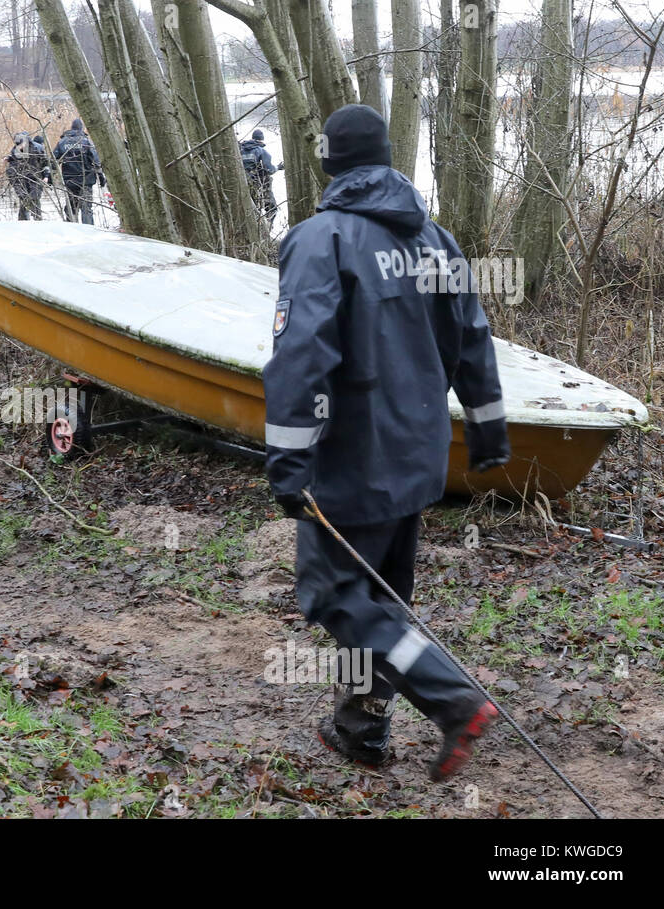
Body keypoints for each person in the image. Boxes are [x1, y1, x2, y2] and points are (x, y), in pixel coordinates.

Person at [262, 104, 510, 782]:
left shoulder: (321, 240)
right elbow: (473, 338)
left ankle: (453, 699)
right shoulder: (436, 240)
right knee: (381, 598)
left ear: (330, 164)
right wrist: (488, 426)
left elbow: (300, 356)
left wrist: (288, 458)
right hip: (418, 456)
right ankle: (361, 724)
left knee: (337, 596)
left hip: (354, 463)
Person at [54, 119, 102, 225]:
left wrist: (49, 176)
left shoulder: (62, 142)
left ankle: (71, 232)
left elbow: (53, 160)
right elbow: (96, 161)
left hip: (69, 180)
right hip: (86, 179)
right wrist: (101, 176)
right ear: (81, 128)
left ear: (71, 128)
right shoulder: (86, 142)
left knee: (71, 208)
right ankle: (89, 233)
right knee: (86, 209)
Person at [5, 131, 49, 221]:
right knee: (24, 200)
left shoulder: (37, 148)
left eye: (21, 145)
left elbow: (45, 163)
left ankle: (38, 220)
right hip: (22, 179)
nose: (20, 147)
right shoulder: (15, 150)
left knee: (35, 198)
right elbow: (12, 169)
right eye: (18, 145)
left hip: (36, 178)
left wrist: (46, 176)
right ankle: (23, 222)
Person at [240, 128, 281, 224]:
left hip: (244, 185)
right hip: (259, 185)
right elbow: (269, 170)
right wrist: (278, 167)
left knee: (252, 210)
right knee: (272, 208)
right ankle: (267, 233)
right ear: (261, 139)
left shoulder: (240, 150)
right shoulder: (261, 151)